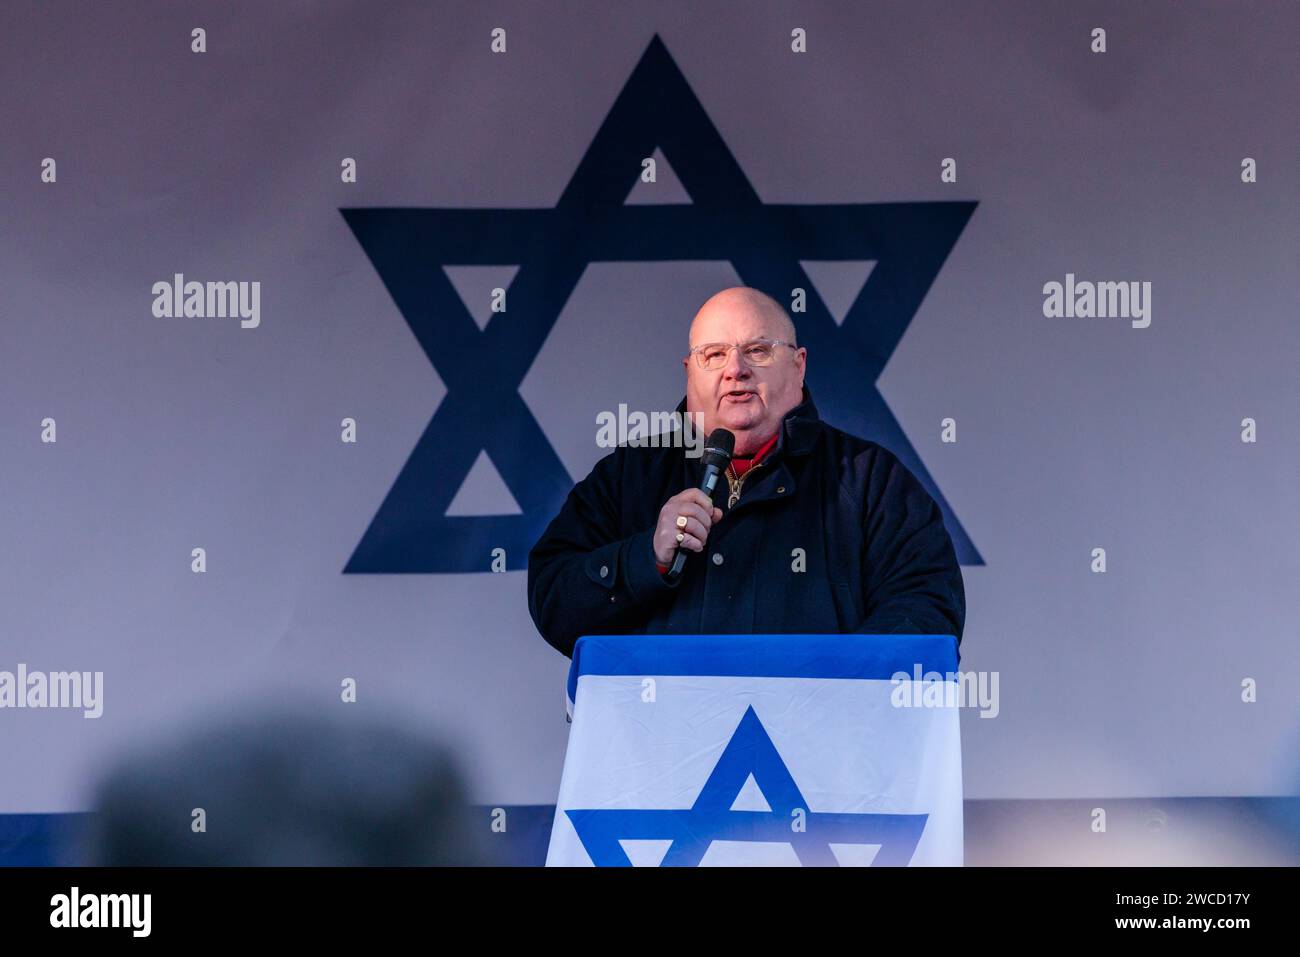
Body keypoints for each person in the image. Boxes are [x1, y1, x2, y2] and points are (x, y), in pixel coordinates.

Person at [527, 286, 965, 658]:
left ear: (799, 366)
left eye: (757, 350)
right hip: (668, 752)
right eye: (713, 355)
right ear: (689, 373)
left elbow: (927, 608)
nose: (735, 369)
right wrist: (647, 558)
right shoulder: (627, 476)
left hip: (816, 751)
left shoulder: (869, 480)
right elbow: (552, 599)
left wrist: (830, 686)